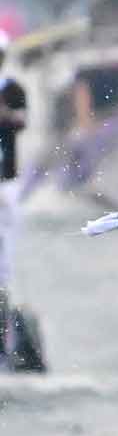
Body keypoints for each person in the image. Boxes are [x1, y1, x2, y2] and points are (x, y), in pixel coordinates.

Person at [0, 30, 26, 300]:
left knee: (7, 233)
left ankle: (3, 291)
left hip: (6, 177)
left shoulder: (13, 89)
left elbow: (21, 122)